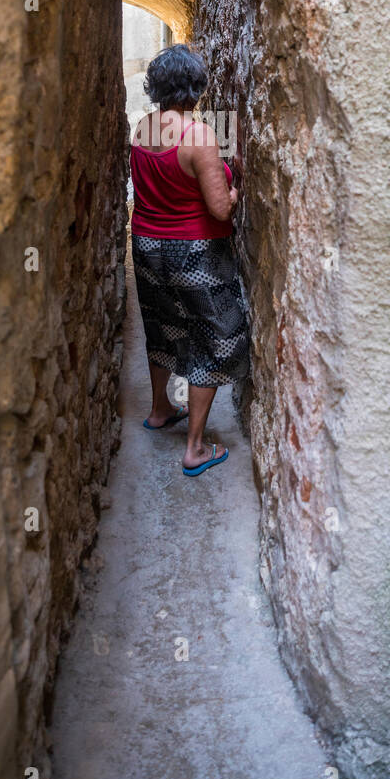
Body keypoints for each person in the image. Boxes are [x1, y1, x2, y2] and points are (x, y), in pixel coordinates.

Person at [129, 43, 250, 477]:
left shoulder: (142, 129)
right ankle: (196, 448)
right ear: (195, 89)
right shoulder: (198, 136)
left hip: (146, 244)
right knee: (215, 337)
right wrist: (233, 187)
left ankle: (161, 409)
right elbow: (220, 209)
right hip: (194, 251)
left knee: (162, 324)